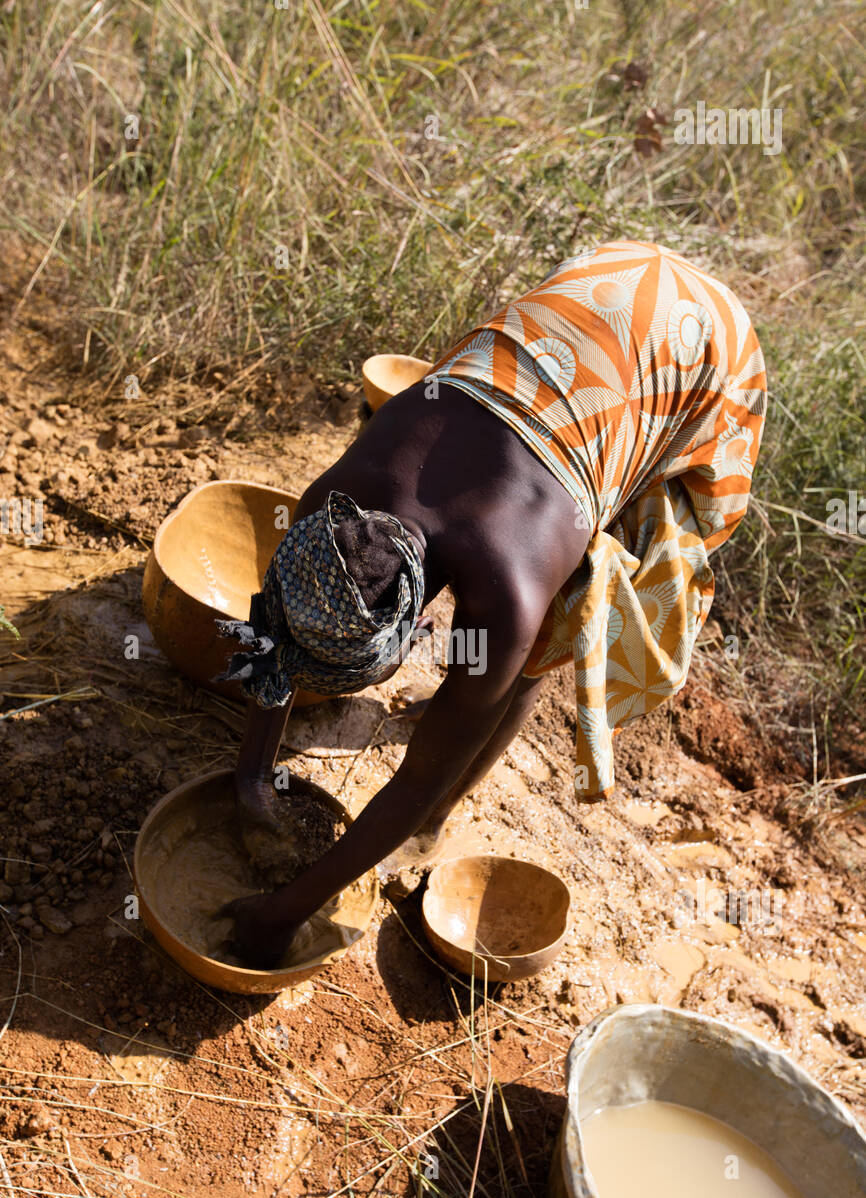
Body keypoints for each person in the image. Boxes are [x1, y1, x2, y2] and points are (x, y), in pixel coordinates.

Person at [217, 241, 766, 967]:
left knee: (538, 642)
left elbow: (416, 775)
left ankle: (436, 827)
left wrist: (285, 913)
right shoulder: (326, 509)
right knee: (490, 652)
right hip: (595, 303)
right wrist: (253, 774)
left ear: (417, 627)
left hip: (703, 357)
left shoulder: (511, 586)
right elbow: (274, 629)